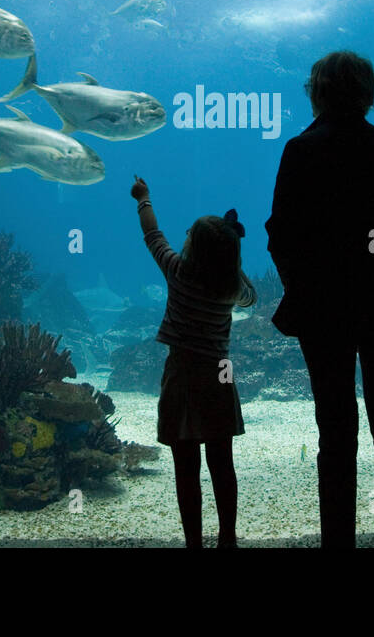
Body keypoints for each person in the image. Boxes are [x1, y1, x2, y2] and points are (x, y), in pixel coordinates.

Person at [265, 50, 374, 548]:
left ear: (317, 91)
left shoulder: (300, 149)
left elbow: (280, 234)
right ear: (367, 92)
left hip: (323, 308)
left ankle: (338, 544)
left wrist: (302, 285)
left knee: (335, 432)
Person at [131, 175, 257, 548]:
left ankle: (193, 544)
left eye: (188, 234)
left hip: (181, 375)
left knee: (186, 468)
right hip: (219, 376)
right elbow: (251, 300)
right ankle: (228, 538)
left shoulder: (177, 271)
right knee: (222, 463)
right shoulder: (232, 287)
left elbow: (153, 236)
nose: (183, 236)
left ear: (190, 248)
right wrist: (232, 261)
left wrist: (144, 198)